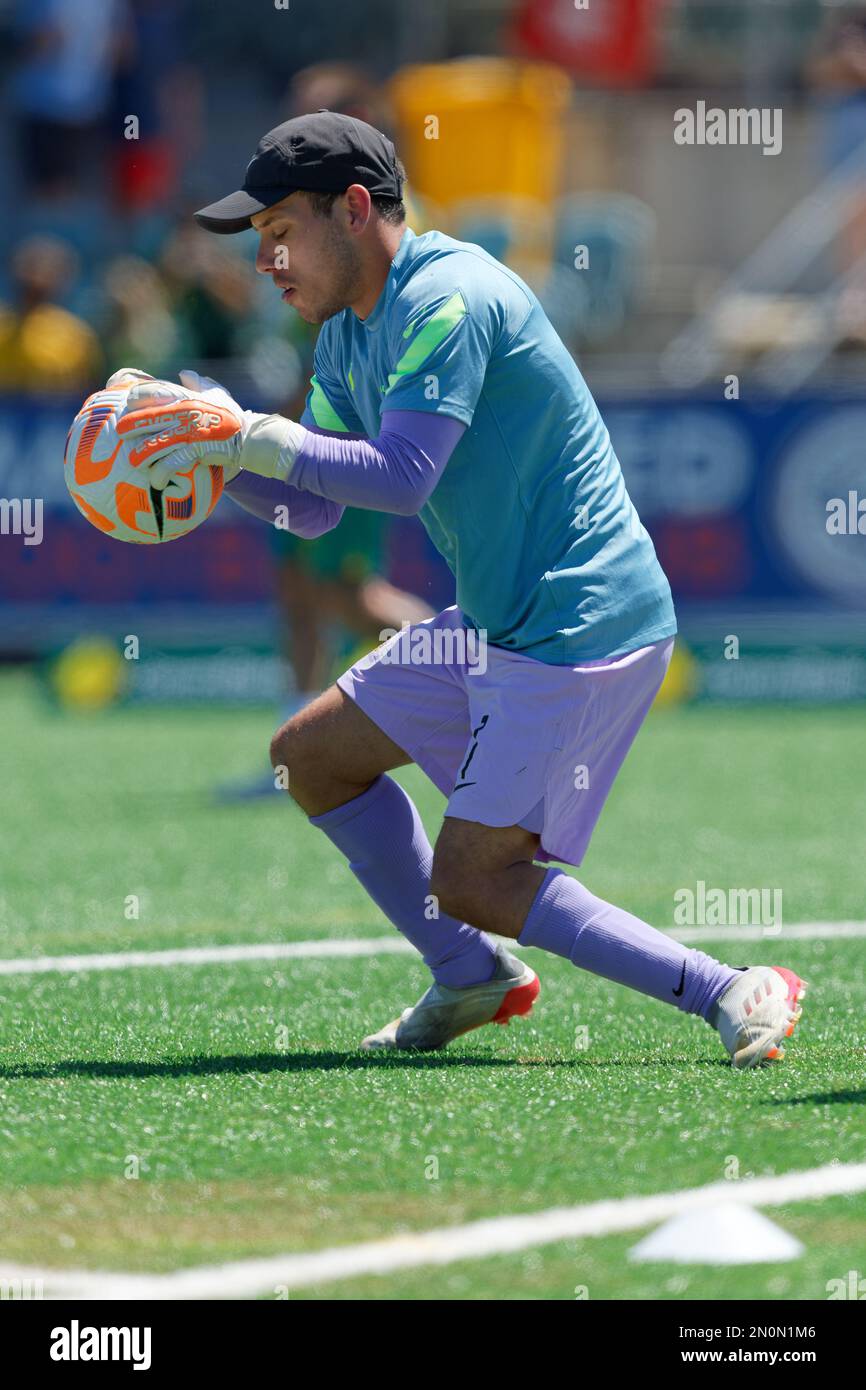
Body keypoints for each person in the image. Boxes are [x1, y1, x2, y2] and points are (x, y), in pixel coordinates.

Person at [115, 111, 806, 1067]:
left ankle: (730, 987)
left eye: (280, 233)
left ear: (354, 209)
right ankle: (471, 973)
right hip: (496, 623)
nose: (267, 261)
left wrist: (251, 438)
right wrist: (213, 460)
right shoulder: (347, 333)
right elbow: (314, 511)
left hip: (580, 623)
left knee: (479, 875)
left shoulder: (451, 297)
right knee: (311, 757)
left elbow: (402, 478)